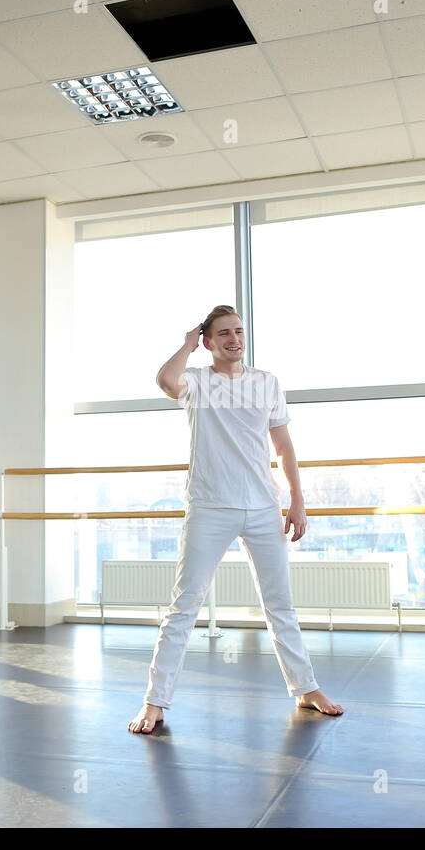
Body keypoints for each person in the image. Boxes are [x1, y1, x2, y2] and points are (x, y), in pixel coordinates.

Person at [128, 305, 344, 734]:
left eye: (239, 331)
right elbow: (166, 381)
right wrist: (187, 343)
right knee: (183, 607)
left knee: (279, 604)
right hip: (210, 506)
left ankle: (306, 687)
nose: (234, 338)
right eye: (223, 332)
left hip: (263, 507)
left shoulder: (267, 382)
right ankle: (155, 701)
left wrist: (298, 499)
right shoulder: (197, 381)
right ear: (208, 341)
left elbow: (283, 447)